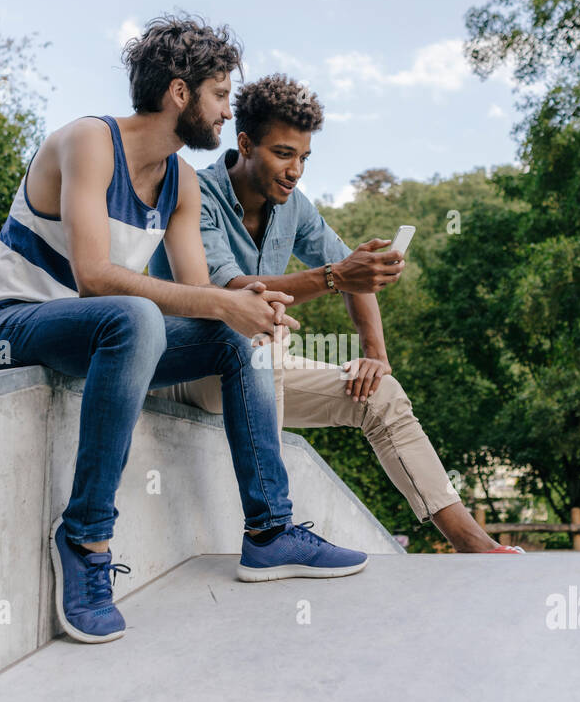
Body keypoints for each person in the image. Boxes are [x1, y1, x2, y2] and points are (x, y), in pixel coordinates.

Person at [0, 20, 367, 645]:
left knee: (235, 340)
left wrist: (249, 309)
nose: (228, 111)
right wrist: (220, 302)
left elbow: (200, 300)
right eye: (220, 95)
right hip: (9, 324)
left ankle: (269, 530)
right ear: (180, 92)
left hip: (103, 337)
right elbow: (95, 277)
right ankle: (85, 538)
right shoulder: (89, 142)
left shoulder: (180, 182)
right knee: (133, 313)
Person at [148, 73, 523, 554]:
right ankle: (272, 529)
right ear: (245, 144)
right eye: (283, 153)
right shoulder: (195, 192)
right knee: (266, 331)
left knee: (379, 395)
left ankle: (475, 545)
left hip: (257, 372)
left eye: (304, 158)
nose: (295, 170)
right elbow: (233, 291)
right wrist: (335, 276)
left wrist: (375, 354)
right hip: (189, 368)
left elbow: (352, 274)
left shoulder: (294, 207)